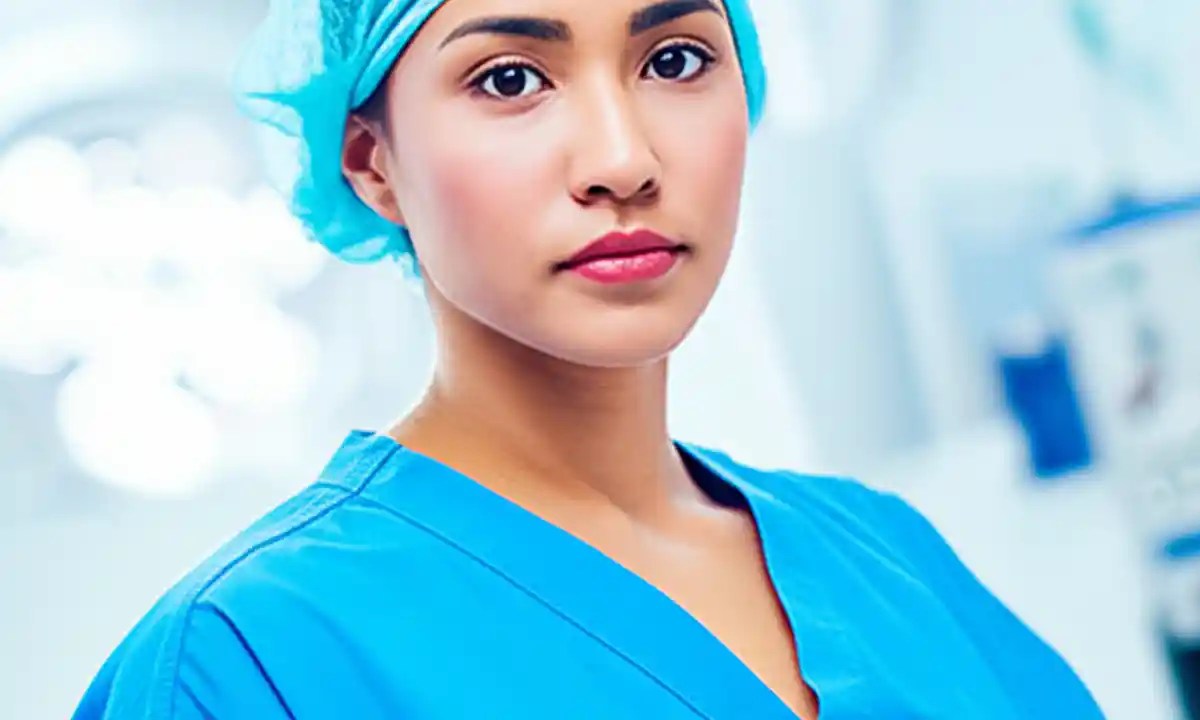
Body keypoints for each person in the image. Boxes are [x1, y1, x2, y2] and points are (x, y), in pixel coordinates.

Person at [74, 0, 1105, 718]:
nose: (622, 159)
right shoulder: (244, 662)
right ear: (370, 162)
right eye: (511, 78)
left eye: (675, 61)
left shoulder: (887, 560)